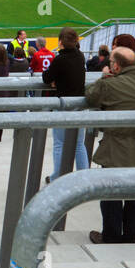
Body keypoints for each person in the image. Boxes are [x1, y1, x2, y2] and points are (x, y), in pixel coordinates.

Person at [86, 47, 135, 244]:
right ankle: (130, 236)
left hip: (116, 150)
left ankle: (111, 236)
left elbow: (91, 97)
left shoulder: (111, 85)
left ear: (116, 66)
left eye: (111, 62)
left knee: (111, 194)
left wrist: (103, 78)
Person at [43, 27, 88, 182]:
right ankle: (85, 176)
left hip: (64, 105)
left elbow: (47, 78)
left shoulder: (60, 59)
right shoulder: (80, 56)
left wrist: (55, 79)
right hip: (79, 104)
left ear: (60, 42)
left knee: (59, 143)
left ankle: (58, 177)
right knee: (78, 144)